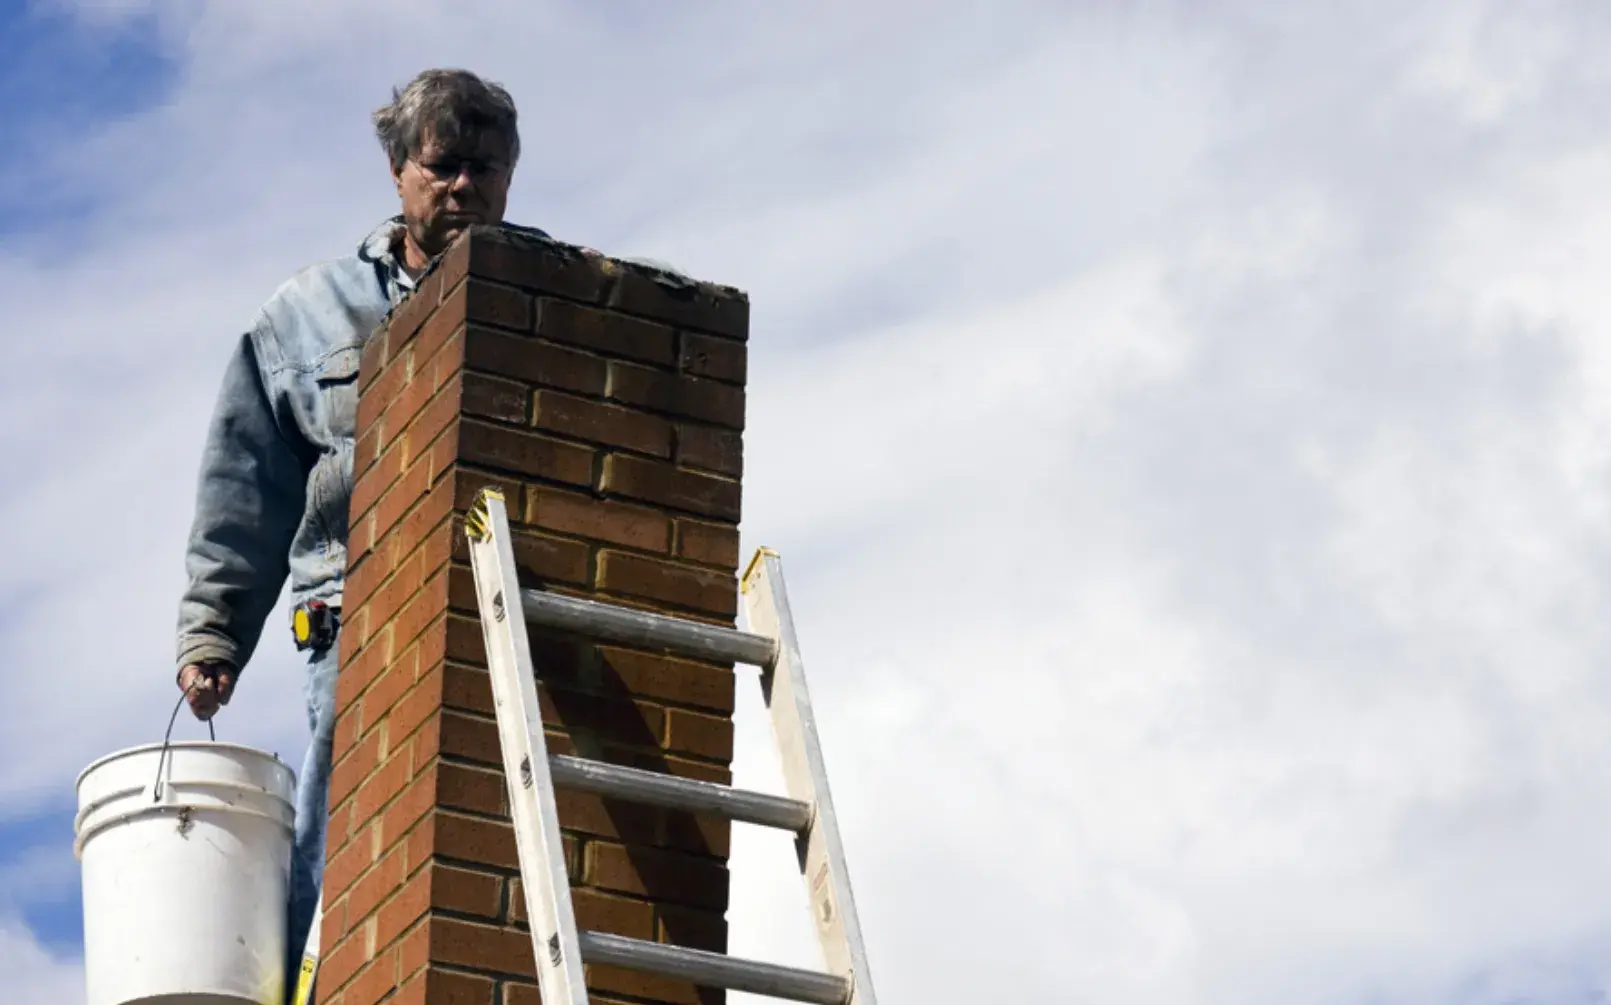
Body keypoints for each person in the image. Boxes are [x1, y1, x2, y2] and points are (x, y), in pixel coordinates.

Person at [171, 67, 527, 993]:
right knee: (348, 820)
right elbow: (245, 487)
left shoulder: (542, 298)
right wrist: (214, 632)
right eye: (442, 166)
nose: (463, 188)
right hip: (354, 607)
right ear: (399, 174)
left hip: (509, 592)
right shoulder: (309, 317)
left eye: (483, 168)